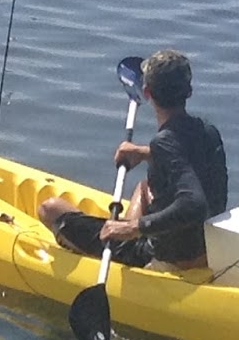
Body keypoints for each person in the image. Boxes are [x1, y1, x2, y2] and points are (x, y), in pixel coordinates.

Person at [38, 49, 227, 270]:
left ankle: (121, 242)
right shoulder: (207, 130)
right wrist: (145, 152)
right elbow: (187, 157)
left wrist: (134, 228)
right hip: (207, 251)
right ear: (189, 91)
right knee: (145, 187)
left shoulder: (164, 142)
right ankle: (121, 235)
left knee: (50, 208)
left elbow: (194, 204)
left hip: (165, 258)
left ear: (146, 93)